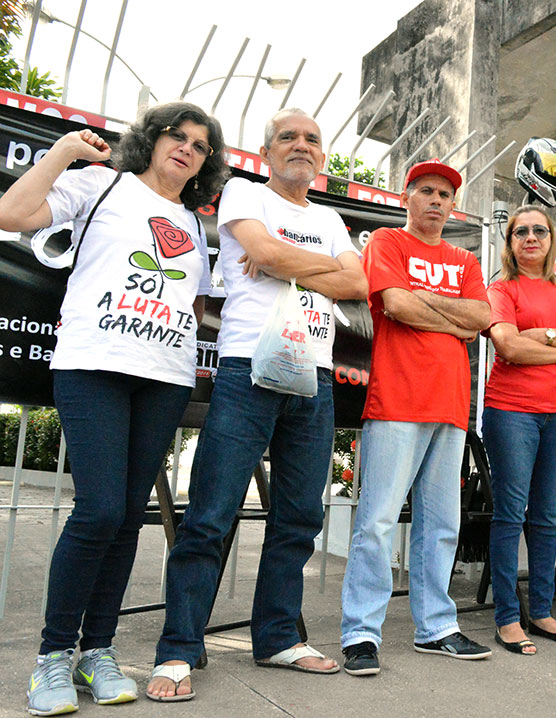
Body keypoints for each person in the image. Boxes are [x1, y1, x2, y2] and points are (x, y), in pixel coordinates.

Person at [0, 102, 228, 715]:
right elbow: (11, 212)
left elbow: (202, 304)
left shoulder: (195, 223)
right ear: (151, 140)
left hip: (165, 378)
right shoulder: (100, 184)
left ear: (208, 162)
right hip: (93, 365)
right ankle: (52, 657)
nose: (185, 149)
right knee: (98, 510)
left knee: (128, 515)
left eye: (200, 145)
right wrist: (65, 153)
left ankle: (96, 652)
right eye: (175, 136)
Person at [148, 108, 367, 701]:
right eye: (288, 137)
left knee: (299, 518)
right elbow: (273, 258)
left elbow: (359, 285)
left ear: (322, 159)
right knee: (212, 514)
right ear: (267, 152)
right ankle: (178, 651)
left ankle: (276, 639)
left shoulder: (329, 218)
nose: (301, 145)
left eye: (312, 140)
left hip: (314, 378)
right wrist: (292, 262)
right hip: (249, 370)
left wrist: (279, 260)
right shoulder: (245, 192)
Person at [340, 159, 492, 675]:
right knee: (378, 520)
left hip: (449, 406)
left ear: (453, 206)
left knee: (442, 524)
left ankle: (436, 627)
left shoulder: (464, 259)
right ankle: (361, 632)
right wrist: (451, 315)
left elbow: (482, 319)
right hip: (396, 399)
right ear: (407, 196)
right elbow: (396, 306)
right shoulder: (386, 241)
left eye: (444, 195)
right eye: (425, 191)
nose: (434, 200)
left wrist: (428, 303)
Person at [482, 205, 556, 654]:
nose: (531, 237)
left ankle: (542, 611)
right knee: (511, 516)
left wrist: (544, 337)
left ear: (552, 238)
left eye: (540, 230)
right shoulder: (501, 288)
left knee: (546, 517)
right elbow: (508, 347)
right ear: (510, 242)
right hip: (512, 411)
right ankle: (507, 618)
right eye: (521, 232)